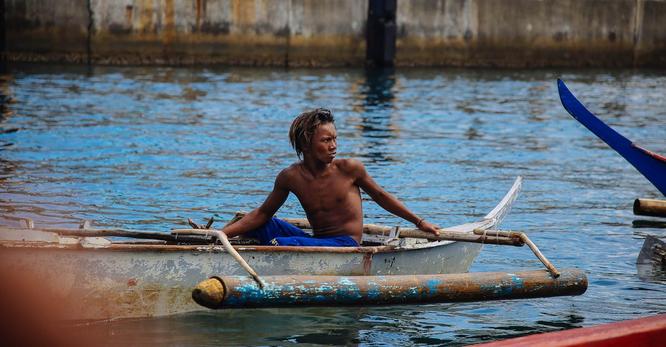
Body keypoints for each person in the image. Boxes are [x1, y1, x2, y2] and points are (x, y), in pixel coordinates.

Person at [222, 108, 440, 246]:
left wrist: (420, 222)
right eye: (326, 140)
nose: (334, 146)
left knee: (280, 242)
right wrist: (219, 235)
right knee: (259, 225)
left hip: (345, 243)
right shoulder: (290, 177)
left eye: (335, 139)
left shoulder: (350, 169)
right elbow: (263, 213)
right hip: (318, 241)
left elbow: (381, 196)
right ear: (307, 144)